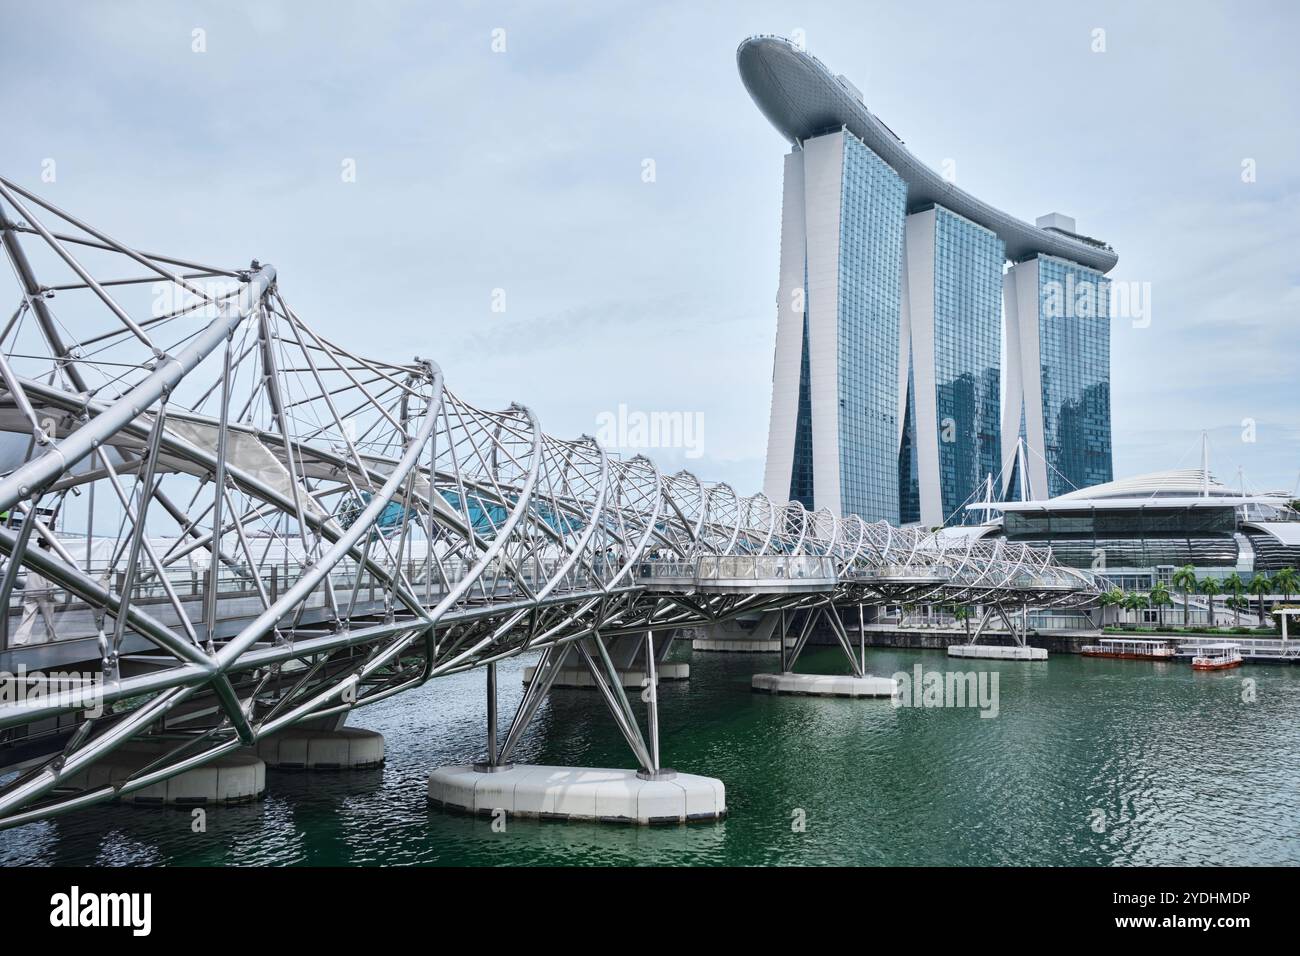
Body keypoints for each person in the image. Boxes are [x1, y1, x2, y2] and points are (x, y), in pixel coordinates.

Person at [12, 539, 59, 646]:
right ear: (47, 547)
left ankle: (20, 640)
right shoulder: (48, 558)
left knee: (27, 616)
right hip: (43, 592)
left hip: (30, 590)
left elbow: (26, 571)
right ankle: (52, 637)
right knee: (48, 617)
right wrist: (51, 592)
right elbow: (49, 578)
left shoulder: (31, 556)